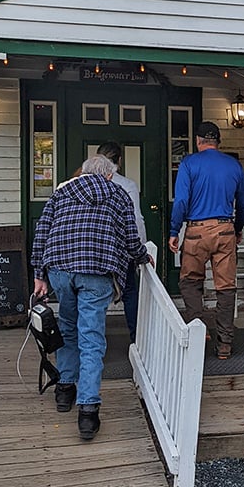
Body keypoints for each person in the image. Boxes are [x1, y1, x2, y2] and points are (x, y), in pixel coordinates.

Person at [31, 154, 151, 441]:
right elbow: (130, 235)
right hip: (96, 269)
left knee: (68, 328)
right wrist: (142, 256)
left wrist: (39, 274)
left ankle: (64, 391)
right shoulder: (117, 192)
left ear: (82, 173)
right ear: (109, 175)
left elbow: (41, 233)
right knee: (92, 338)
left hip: (60, 268)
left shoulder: (62, 192)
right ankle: (87, 411)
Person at [168, 121, 244, 359]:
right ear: (218, 141)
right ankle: (225, 344)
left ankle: (197, 327)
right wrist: (237, 228)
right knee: (226, 287)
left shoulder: (189, 163)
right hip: (225, 229)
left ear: (198, 140)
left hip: (196, 231)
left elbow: (181, 201)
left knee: (190, 282)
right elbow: (243, 203)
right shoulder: (233, 165)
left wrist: (174, 230)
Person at [96, 141, 147, 343]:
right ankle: (136, 339)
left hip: (94, 251)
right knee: (130, 292)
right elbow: (135, 220)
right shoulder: (126, 185)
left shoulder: (80, 183)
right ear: (119, 161)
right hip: (120, 251)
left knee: (94, 298)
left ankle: (94, 342)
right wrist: (139, 249)